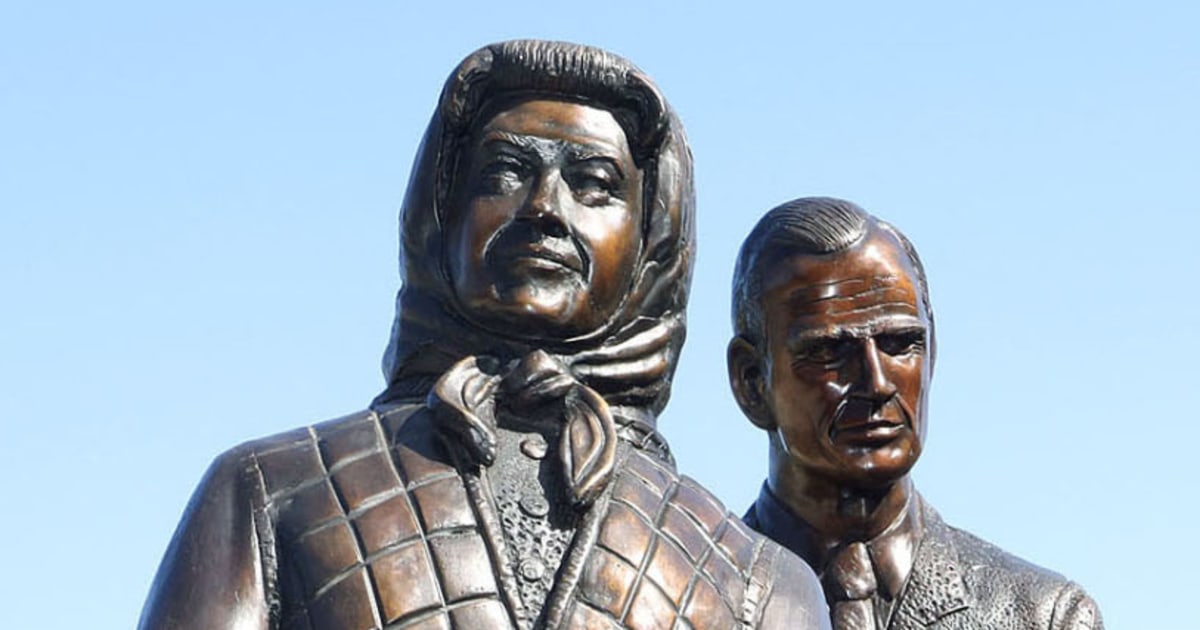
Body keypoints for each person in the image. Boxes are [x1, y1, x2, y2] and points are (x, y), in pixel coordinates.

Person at [140, 40, 828, 630]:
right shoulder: (268, 493)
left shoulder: (759, 580)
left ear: (652, 241)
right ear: (442, 213)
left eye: (593, 184)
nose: (544, 209)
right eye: (505, 172)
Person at [728, 197, 1102, 629]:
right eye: (830, 350)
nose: (878, 383)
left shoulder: (1043, 616)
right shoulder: (681, 604)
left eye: (901, 344)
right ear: (752, 380)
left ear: (933, 352)